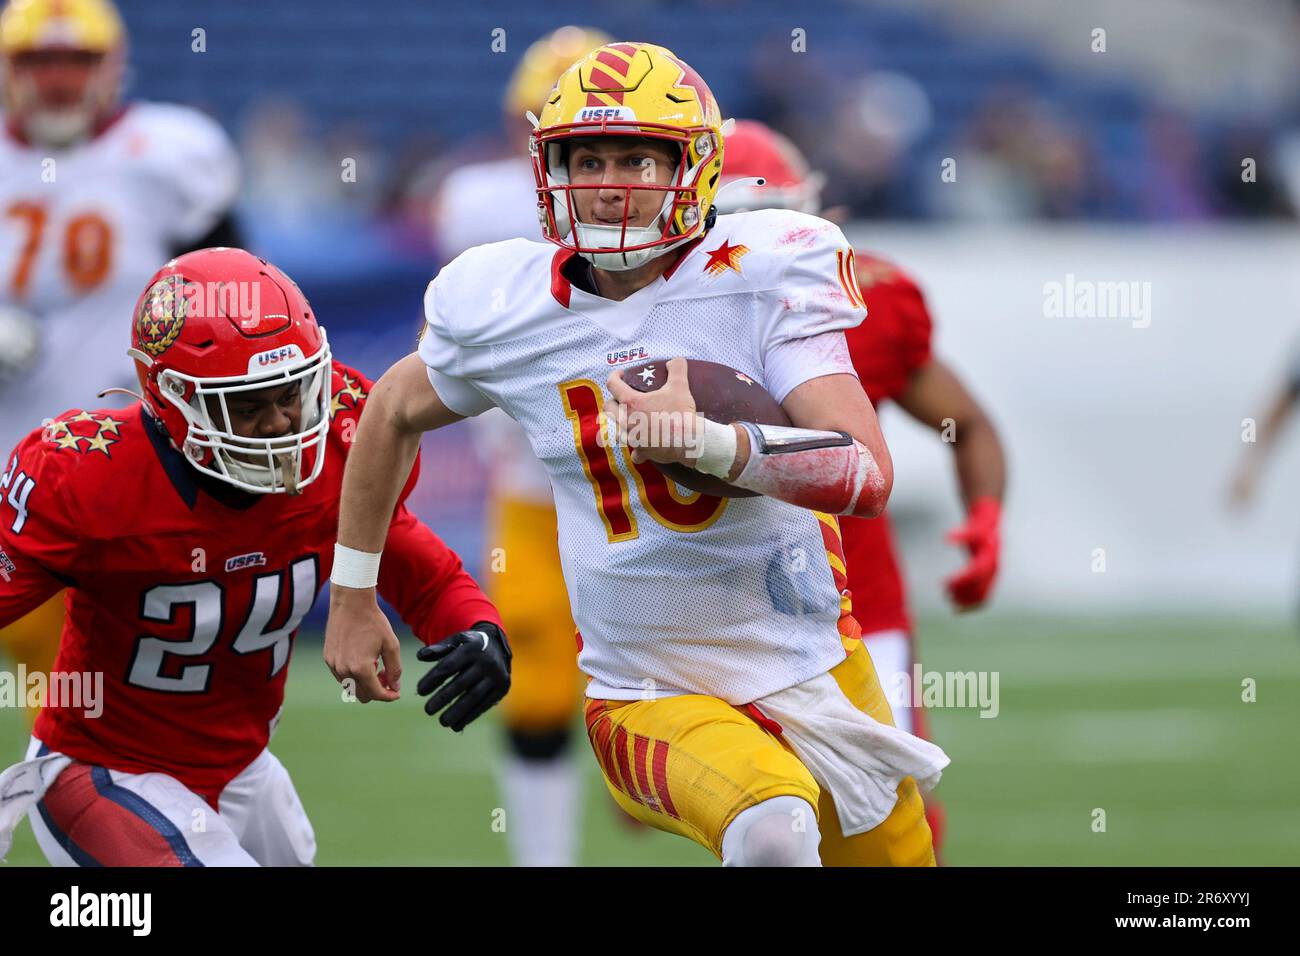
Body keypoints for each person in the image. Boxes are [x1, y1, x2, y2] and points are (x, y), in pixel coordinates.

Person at [325, 42, 946, 866]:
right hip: (647, 688)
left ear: (691, 167)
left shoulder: (761, 273)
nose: (608, 180)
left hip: (817, 668)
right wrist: (354, 592)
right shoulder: (505, 301)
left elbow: (865, 474)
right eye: (586, 158)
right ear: (548, 169)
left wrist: (713, 445)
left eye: (634, 158)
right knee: (773, 831)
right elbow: (390, 411)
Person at [0, 248, 509, 866]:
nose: (279, 424)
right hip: (104, 771)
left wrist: (478, 629)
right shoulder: (87, 478)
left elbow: (408, 556)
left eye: (291, 393)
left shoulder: (344, 438)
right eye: (247, 406)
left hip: (243, 771)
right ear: (173, 399)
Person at [714, 119, 1007, 856]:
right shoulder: (642, 315)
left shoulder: (859, 302)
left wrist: (987, 516)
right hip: (713, 609)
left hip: (854, 602)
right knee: (769, 824)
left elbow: (965, 423)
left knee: (892, 815)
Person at [0, 0, 243, 720]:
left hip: (134, 460)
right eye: (37, 62)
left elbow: (235, 285)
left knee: (137, 686)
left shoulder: (168, 152)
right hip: (11, 463)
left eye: (76, 61)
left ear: (113, 64)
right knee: (64, 688)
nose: (57, 81)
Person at [429, 25, 610, 867]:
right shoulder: (482, 201)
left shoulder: (661, 199)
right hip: (536, 482)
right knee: (535, 669)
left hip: (648, 480)